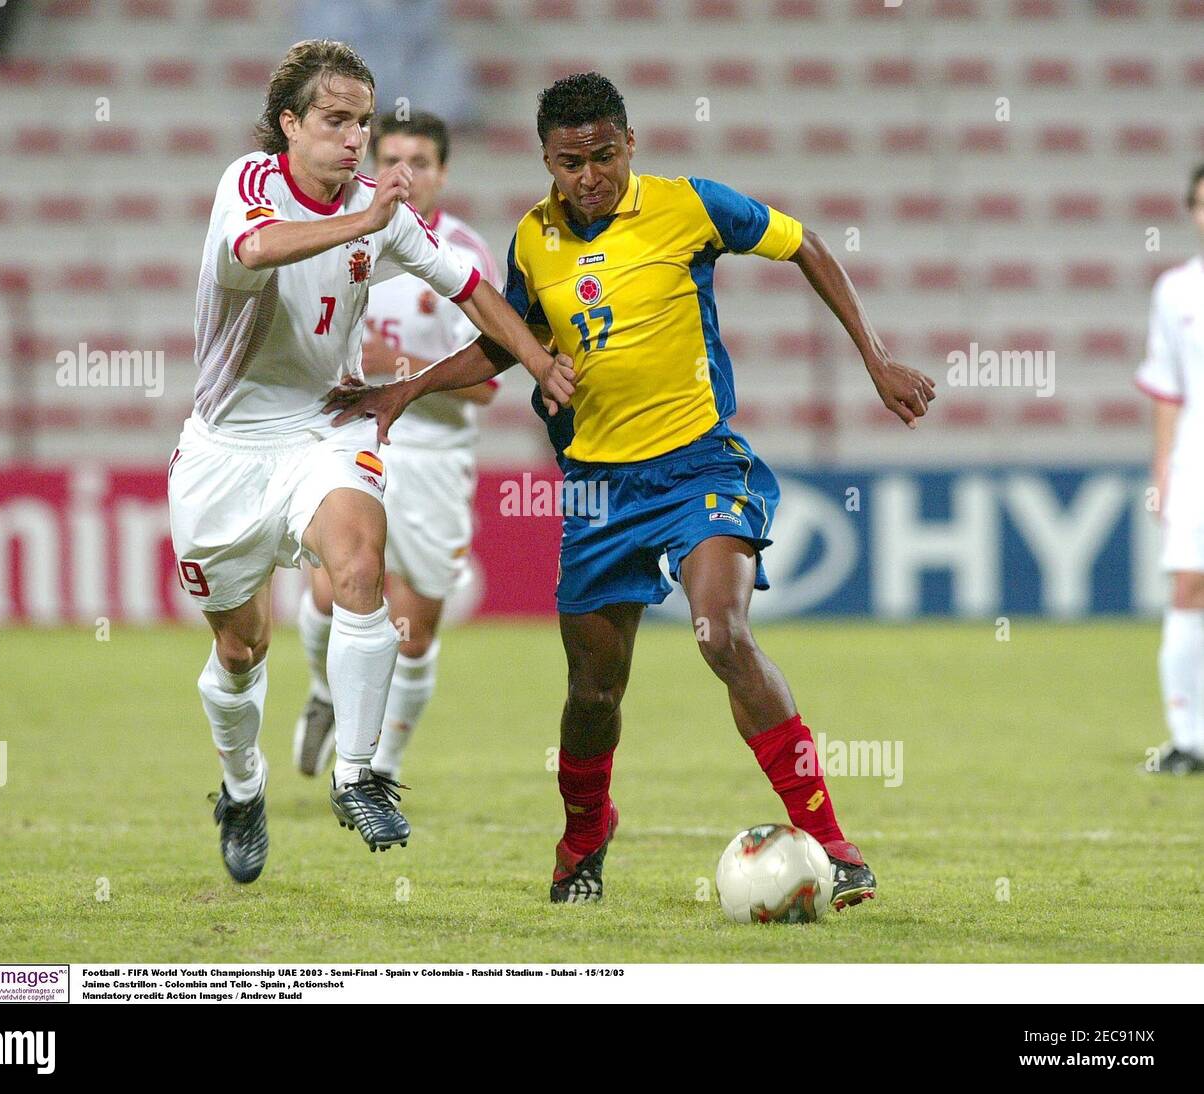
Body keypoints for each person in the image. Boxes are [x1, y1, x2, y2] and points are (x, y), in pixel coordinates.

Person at [329, 72, 934, 907]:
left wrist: (873, 357)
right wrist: (403, 390)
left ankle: (829, 838)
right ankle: (585, 835)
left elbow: (806, 246)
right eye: (571, 161)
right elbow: (513, 341)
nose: (590, 176)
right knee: (592, 690)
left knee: (721, 635)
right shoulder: (533, 240)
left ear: (630, 145)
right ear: (546, 158)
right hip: (596, 492)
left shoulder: (691, 205)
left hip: (700, 467)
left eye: (605, 156)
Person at [167, 40, 573, 883]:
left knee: (360, 565)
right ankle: (243, 787)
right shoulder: (248, 184)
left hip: (327, 425)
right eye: (337, 120)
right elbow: (258, 251)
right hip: (228, 448)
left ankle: (359, 773)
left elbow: (472, 290)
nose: (356, 139)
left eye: (363, 120)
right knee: (239, 650)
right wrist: (372, 218)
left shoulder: (382, 212)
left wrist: (539, 365)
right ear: (289, 123)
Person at [293, 109, 502, 784]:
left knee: (412, 631)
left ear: (444, 173)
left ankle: (381, 768)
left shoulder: (467, 257)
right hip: (352, 440)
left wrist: (398, 362)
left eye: (422, 162)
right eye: (392, 161)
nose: (405, 176)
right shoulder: (344, 236)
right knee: (330, 592)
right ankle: (326, 695)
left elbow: (486, 390)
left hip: (436, 455)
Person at [1137, 164, 1204, 776]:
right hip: (1196, 464)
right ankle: (1188, 738)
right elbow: (1168, 391)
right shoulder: (1177, 291)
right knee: (1187, 588)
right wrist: (1164, 469)